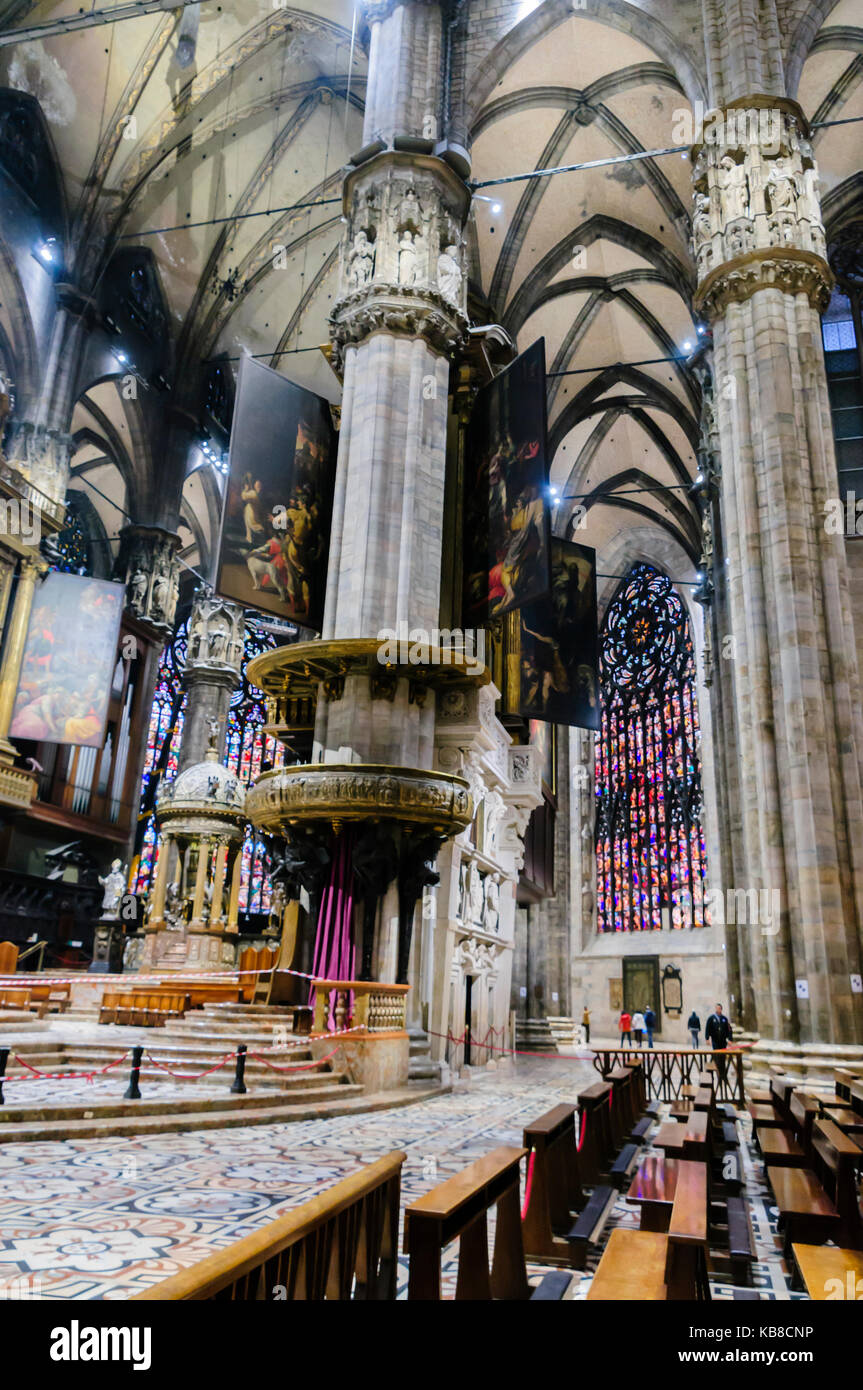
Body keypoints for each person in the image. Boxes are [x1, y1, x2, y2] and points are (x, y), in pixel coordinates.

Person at [704, 1003, 733, 1084]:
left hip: (723, 1042)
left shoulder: (724, 1019)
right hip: (715, 1041)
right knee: (716, 1058)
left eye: (719, 1008)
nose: (718, 1009)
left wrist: (730, 1039)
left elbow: (729, 1030)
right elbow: (707, 1028)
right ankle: (718, 1077)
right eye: (716, 1008)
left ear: (721, 1009)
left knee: (722, 1059)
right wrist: (707, 1038)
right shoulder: (711, 1018)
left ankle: (723, 1076)